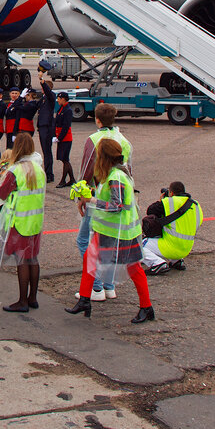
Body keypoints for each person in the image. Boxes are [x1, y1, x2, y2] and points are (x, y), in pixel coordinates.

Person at [65, 138, 154, 324]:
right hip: (110, 230)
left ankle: (146, 307)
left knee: (134, 268)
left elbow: (116, 206)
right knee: (90, 259)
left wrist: (91, 201)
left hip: (120, 232)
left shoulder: (116, 177)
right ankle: (84, 299)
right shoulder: (115, 174)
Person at [77, 102, 131, 301]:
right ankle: (109, 285)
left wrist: (81, 196)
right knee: (107, 243)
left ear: (97, 120)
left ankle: (96, 287)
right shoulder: (123, 139)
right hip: (118, 194)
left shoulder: (94, 139)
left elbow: (86, 170)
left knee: (84, 240)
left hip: (99, 195)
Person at [0, 132, 46, 312]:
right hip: (36, 219)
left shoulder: (15, 170)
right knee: (32, 258)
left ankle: (22, 301)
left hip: (20, 219)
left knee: (22, 259)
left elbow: (1, 192)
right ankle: (32, 297)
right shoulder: (39, 169)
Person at [140, 181, 203, 275]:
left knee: (138, 246)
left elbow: (150, 210)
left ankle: (157, 263)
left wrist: (162, 200)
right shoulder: (196, 205)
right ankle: (176, 261)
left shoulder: (169, 202)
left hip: (171, 246)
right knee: (172, 233)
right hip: (186, 248)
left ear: (171, 193)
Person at [35, 72, 56, 181]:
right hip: (42, 126)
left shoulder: (51, 96)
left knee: (47, 151)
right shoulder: (43, 99)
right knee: (45, 151)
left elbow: (48, 92)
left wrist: (41, 80)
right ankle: (47, 172)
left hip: (47, 127)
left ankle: (49, 174)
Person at [52, 91, 75, 187]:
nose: (57, 100)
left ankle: (63, 181)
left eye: (59, 98)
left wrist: (59, 137)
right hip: (61, 136)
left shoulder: (68, 110)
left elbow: (66, 126)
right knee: (64, 159)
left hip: (65, 138)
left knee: (65, 159)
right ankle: (72, 179)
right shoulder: (61, 108)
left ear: (63, 99)